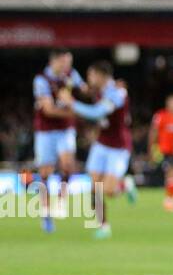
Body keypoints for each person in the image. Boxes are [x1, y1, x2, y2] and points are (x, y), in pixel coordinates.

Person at [73, 62, 135, 239]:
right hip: (101, 144)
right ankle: (103, 225)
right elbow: (80, 85)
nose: (89, 79)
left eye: (91, 75)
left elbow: (97, 113)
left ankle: (124, 185)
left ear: (101, 76)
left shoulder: (117, 93)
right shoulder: (96, 90)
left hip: (119, 147)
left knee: (108, 190)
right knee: (94, 188)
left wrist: (73, 105)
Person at [31, 48, 85, 232]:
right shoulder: (41, 80)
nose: (67, 66)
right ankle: (46, 213)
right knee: (45, 171)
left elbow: (84, 90)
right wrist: (75, 110)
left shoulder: (71, 74)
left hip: (65, 129)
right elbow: (49, 110)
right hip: (45, 131)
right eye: (63, 63)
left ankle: (61, 201)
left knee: (68, 164)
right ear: (53, 62)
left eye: (69, 63)